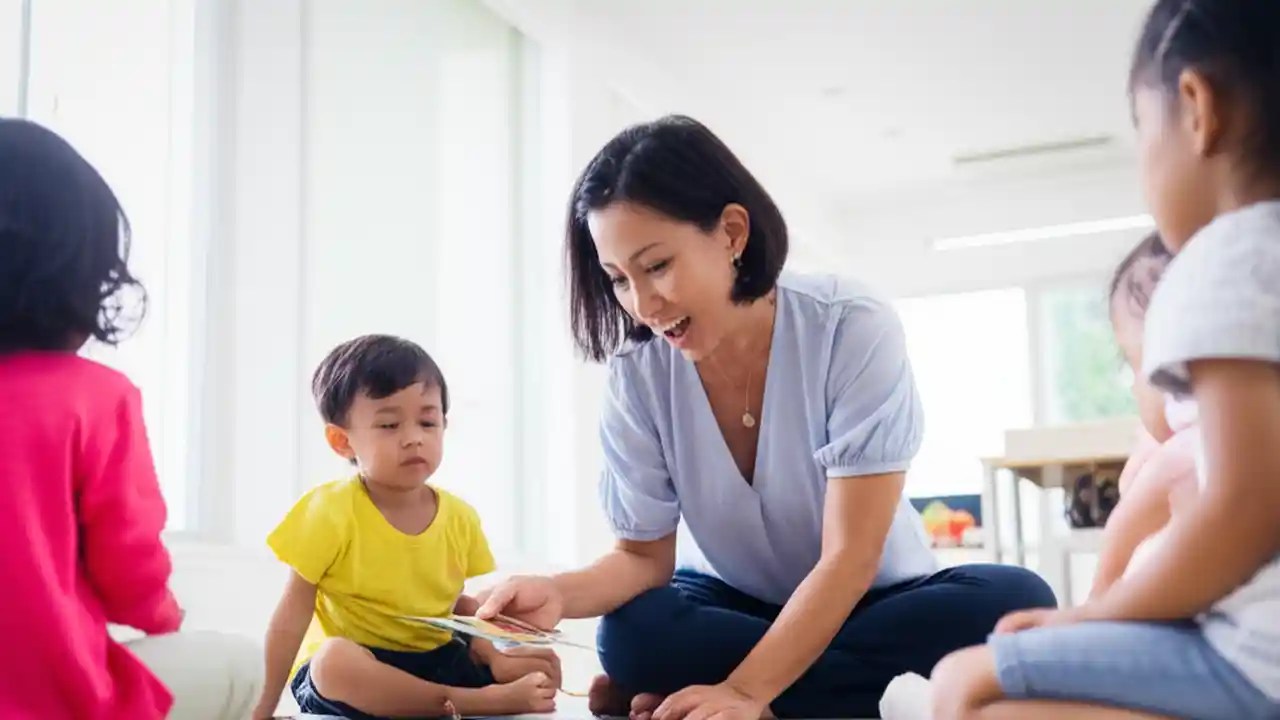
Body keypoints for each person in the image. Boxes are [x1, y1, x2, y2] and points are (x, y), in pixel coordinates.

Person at [474, 114, 1056, 720]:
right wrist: (555, 592)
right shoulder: (638, 373)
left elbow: (849, 559)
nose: (643, 306)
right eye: (618, 279)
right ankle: (861, 695)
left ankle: (746, 696)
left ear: (730, 233)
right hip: (736, 604)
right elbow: (643, 559)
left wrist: (747, 691)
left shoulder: (849, 325)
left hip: (877, 596)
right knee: (631, 634)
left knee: (1014, 601)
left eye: (657, 266)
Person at [931, 1, 1280, 718]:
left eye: (1140, 129)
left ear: (1196, 107)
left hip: (1258, 660)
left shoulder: (1224, 258)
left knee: (964, 683)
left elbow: (1247, 508)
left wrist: (1094, 614)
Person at [0, 118, 261, 719]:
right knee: (238, 662)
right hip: (54, 703)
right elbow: (129, 570)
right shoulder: (93, 397)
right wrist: (161, 619)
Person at [251, 334, 561, 720]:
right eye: (390, 425)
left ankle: (450, 697)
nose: (413, 438)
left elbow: (456, 609)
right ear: (342, 441)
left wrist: (495, 659)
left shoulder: (459, 517)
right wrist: (260, 709)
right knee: (333, 661)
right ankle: (477, 703)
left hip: (433, 661)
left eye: (427, 421)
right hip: (359, 668)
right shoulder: (329, 510)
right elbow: (289, 619)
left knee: (528, 663)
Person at [1089, 233, 1199, 600]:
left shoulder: (1186, 452)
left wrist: (1092, 608)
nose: (1134, 388)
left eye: (1133, 364)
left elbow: (1123, 536)